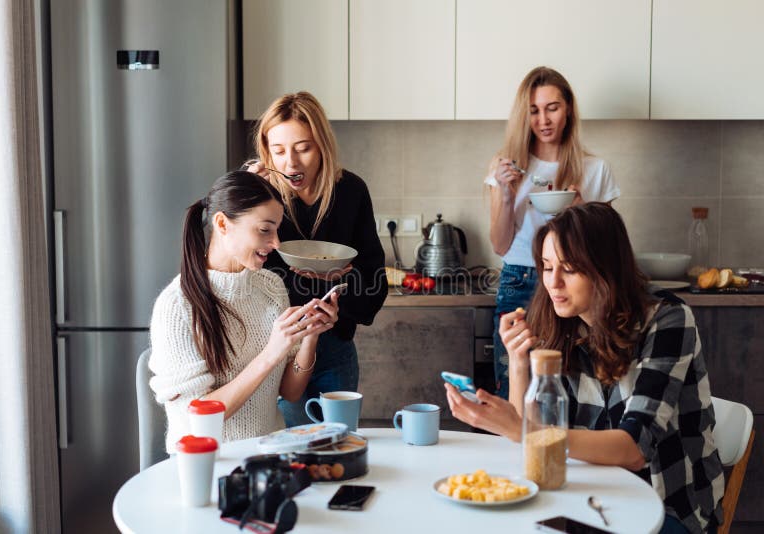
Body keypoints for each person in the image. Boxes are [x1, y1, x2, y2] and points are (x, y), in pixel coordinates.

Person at [445, 203, 724, 534]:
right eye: (547, 267)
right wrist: (519, 361)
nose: (554, 283)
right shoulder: (561, 324)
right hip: (589, 494)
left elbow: (634, 449)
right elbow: (532, 443)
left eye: (569, 269)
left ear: (606, 268)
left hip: (667, 503)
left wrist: (520, 431)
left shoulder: (668, 319)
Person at [149, 171, 339, 453]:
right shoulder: (176, 306)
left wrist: (309, 336)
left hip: (270, 455)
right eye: (265, 230)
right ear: (223, 224)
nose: (276, 243)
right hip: (209, 465)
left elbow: (290, 392)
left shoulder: (270, 286)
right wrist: (272, 352)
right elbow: (198, 417)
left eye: (276, 230)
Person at [246, 92, 387, 427]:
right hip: (276, 349)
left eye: (303, 148)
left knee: (336, 448)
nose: (291, 163)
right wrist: (248, 197)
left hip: (335, 349)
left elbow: (374, 286)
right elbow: (240, 271)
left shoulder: (350, 192)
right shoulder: (260, 195)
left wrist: (336, 286)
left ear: (322, 144)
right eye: (278, 151)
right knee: (289, 454)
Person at [486, 66, 621, 399]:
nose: (543, 120)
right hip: (519, 282)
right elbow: (500, 245)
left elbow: (609, 250)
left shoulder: (595, 169)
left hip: (576, 286)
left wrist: (581, 211)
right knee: (513, 387)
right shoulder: (505, 166)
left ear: (569, 109)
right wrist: (504, 192)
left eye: (552, 108)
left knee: (570, 389)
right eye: (533, 110)